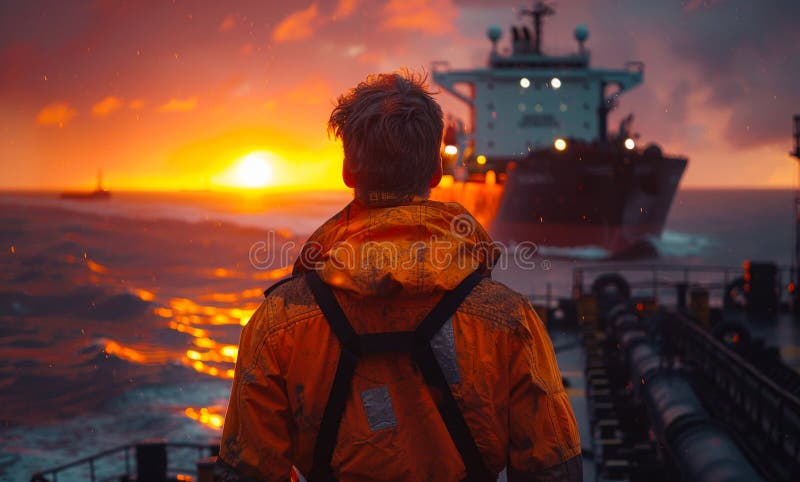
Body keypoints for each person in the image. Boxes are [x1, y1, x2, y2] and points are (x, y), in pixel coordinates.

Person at [214, 70, 582, 482]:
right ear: (434, 173)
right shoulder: (509, 320)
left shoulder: (278, 323)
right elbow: (553, 470)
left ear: (348, 172)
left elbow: (247, 471)